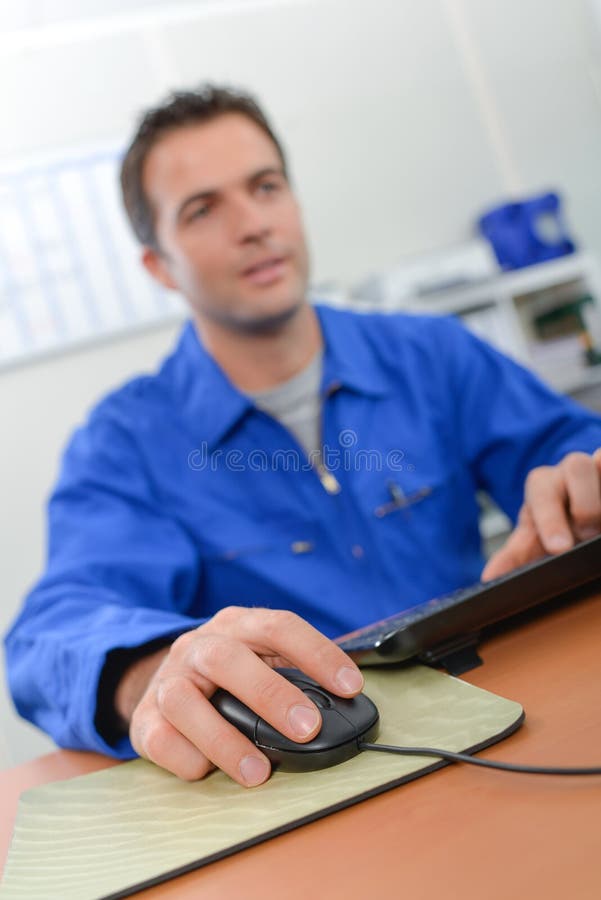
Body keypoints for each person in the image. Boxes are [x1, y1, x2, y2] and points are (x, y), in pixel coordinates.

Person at [5, 85, 601, 788]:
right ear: (159, 266)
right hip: (301, 779)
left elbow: (568, 450)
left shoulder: (433, 354)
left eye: (265, 187)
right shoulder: (126, 442)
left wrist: (581, 480)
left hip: (502, 721)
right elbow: (55, 631)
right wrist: (151, 673)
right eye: (203, 209)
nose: (253, 223)